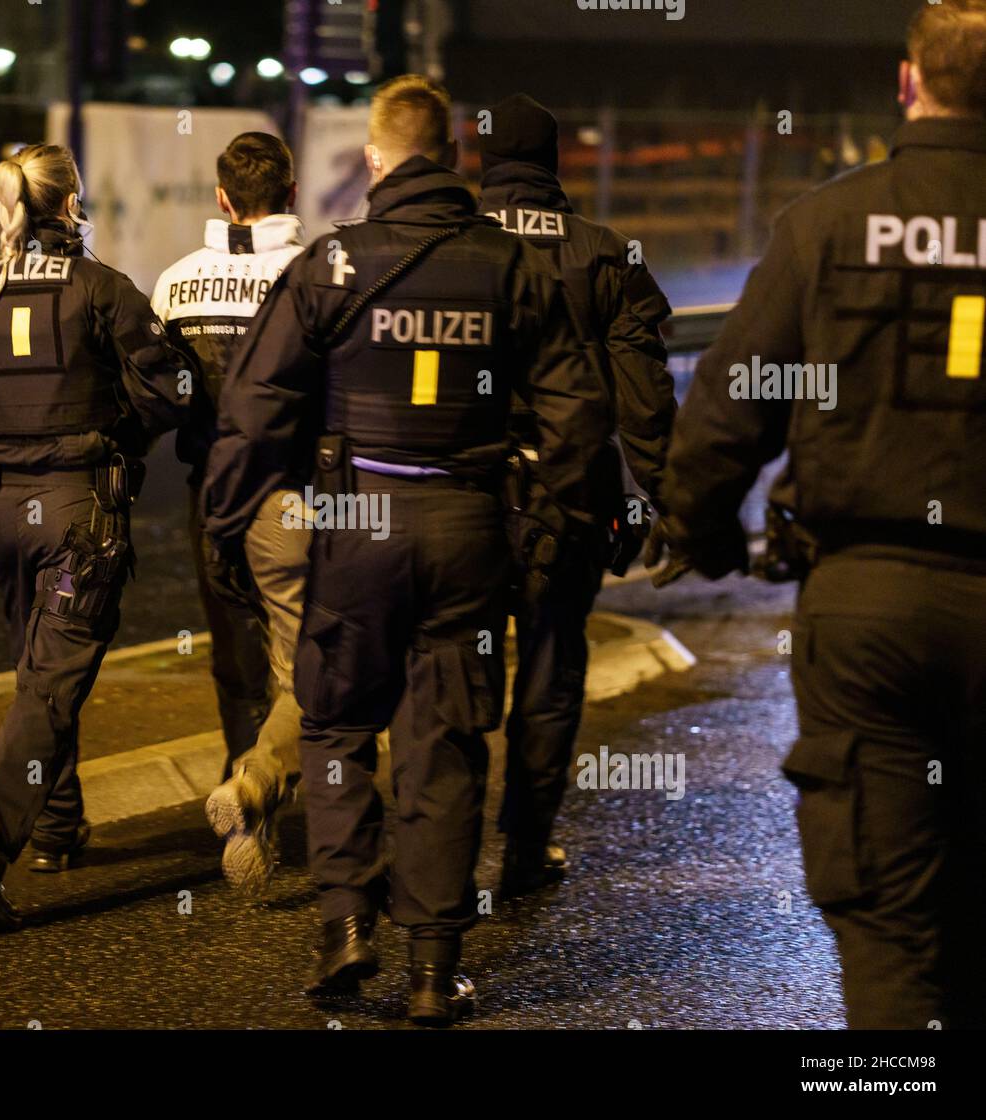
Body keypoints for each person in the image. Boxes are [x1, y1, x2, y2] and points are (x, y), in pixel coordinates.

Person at [203, 75, 605, 1025]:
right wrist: (557, 522)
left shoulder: (332, 265)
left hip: (359, 524)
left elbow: (254, 412)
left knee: (338, 725)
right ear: (454, 157)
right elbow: (579, 416)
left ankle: (347, 921)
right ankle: (431, 968)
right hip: (469, 526)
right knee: (446, 744)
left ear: (376, 159)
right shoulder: (511, 266)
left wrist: (227, 524)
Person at [650, 0, 986, 1028]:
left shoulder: (827, 225)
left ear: (905, 83)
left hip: (868, 605)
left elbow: (729, 404)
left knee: (884, 917)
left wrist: (702, 534)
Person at [0, 143, 190, 931]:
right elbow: (173, 392)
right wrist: (126, 439)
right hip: (81, 514)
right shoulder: (104, 290)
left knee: (39, 677)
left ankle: (58, 828)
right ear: (69, 204)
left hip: (0, 514)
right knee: (49, 686)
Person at [477, 94, 676, 896]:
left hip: (466, 492)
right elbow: (644, 394)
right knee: (553, 669)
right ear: (555, 163)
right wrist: (665, 494)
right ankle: (525, 843)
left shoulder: (447, 246)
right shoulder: (604, 253)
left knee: (452, 665)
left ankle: (442, 844)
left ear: (483, 161)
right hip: (572, 492)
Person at [150, 133, 311, 892]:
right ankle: (263, 796)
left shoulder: (175, 283)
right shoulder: (312, 274)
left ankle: (253, 823)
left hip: (207, 495)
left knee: (235, 665)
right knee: (308, 663)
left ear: (221, 199)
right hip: (293, 493)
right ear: (292, 191)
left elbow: (157, 393)